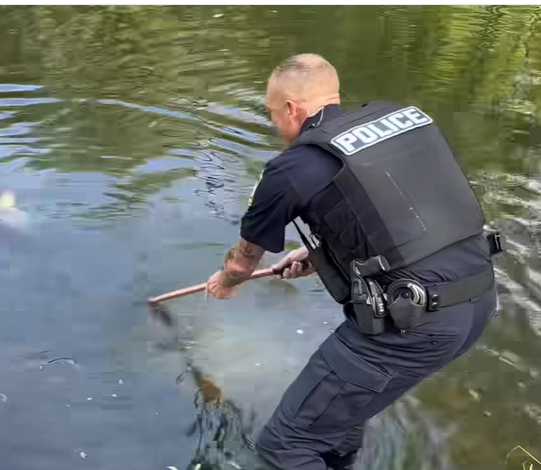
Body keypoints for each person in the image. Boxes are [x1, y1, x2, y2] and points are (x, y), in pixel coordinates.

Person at [206, 53, 502, 470]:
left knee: (285, 444)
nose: (276, 126)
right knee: (336, 420)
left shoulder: (290, 168)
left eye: (273, 115)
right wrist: (323, 254)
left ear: (291, 109)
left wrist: (225, 280)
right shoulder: (398, 122)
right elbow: (405, 217)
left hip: (415, 324)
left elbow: (242, 264)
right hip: (478, 300)